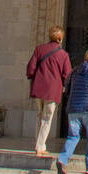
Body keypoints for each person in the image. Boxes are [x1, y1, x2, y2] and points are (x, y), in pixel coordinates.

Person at [56, 49, 88, 174]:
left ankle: (62, 159)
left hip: (73, 108)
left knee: (73, 136)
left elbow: (66, 88)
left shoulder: (74, 71)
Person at [25, 26, 71, 157]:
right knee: (47, 118)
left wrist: (33, 77)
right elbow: (67, 75)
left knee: (39, 115)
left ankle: (39, 144)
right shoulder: (63, 55)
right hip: (52, 90)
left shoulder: (39, 49)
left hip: (38, 88)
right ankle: (40, 146)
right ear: (60, 39)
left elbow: (31, 68)